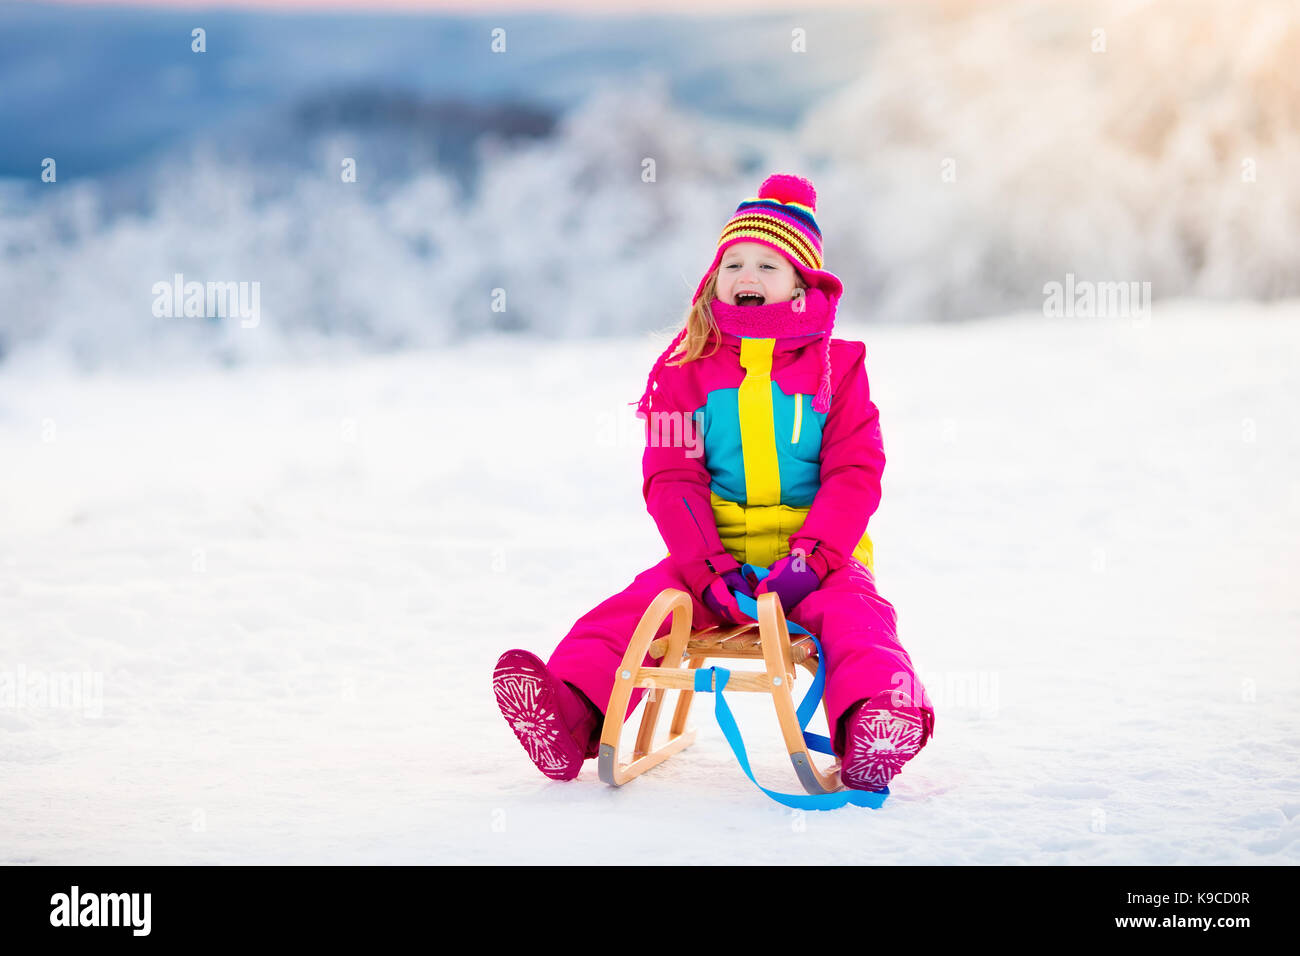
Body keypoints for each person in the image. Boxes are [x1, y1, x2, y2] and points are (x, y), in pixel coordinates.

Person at [492, 173, 935, 791]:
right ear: (714, 276)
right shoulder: (685, 369)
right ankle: (566, 715)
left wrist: (813, 558)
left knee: (858, 622)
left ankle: (874, 724)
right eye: (734, 262)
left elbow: (855, 470)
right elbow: (672, 477)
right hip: (713, 557)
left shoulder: (841, 367)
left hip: (819, 559)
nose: (746, 275)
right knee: (633, 613)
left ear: (803, 283)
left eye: (767, 265)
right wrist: (708, 570)